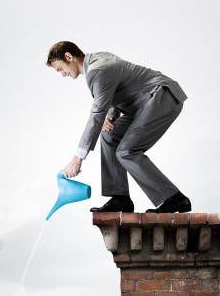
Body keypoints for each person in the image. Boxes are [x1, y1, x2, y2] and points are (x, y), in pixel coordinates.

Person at [46, 41, 191, 213]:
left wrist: (77, 159)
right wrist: (110, 117)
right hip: (144, 103)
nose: (62, 74)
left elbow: (96, 114)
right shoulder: (96, 62)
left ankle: (175, 198)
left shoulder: (98, 70)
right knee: (109, 134)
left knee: (126, 151)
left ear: (69, 57)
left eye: (60, 69)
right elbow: (117, 91)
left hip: (162, 96)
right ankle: (120, 199)